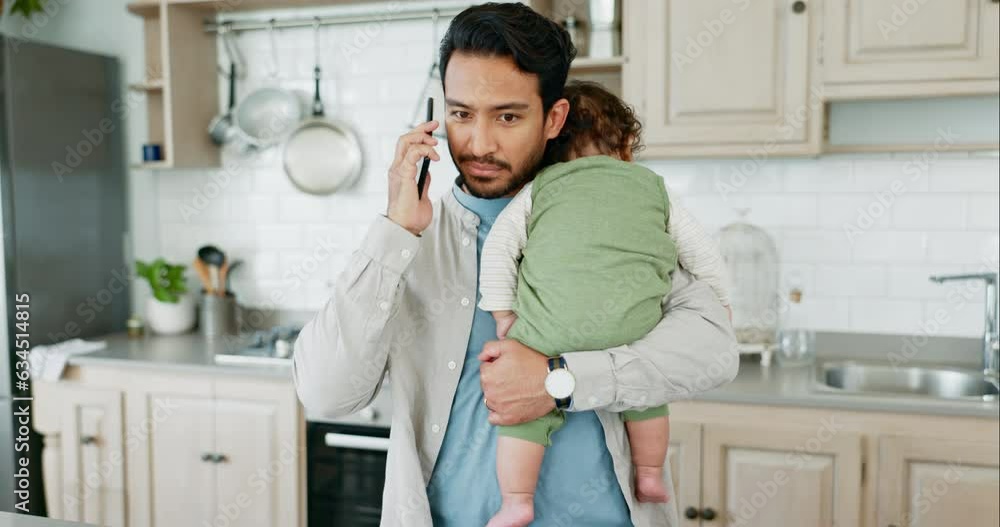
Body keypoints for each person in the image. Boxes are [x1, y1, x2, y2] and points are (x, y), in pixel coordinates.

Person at [292, 3, 738, 526]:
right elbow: (326, 392)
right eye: (461, 114)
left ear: (554, 118)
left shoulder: (617, 221)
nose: (480, 144)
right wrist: (394, 229)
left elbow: (714, 352)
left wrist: (560, 381)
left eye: (507, 116)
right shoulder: (409, 239)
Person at [479, 80, 730, 527]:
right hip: (633, 326)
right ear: (627, 144)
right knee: (645, 393)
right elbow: (701, 251)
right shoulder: (652, 187)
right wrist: (721, 301)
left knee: (522, 421)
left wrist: (504, 313)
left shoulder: (542, 188)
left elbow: (500, 248)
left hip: (546, 332)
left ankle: (517, 501)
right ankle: (650, 474)